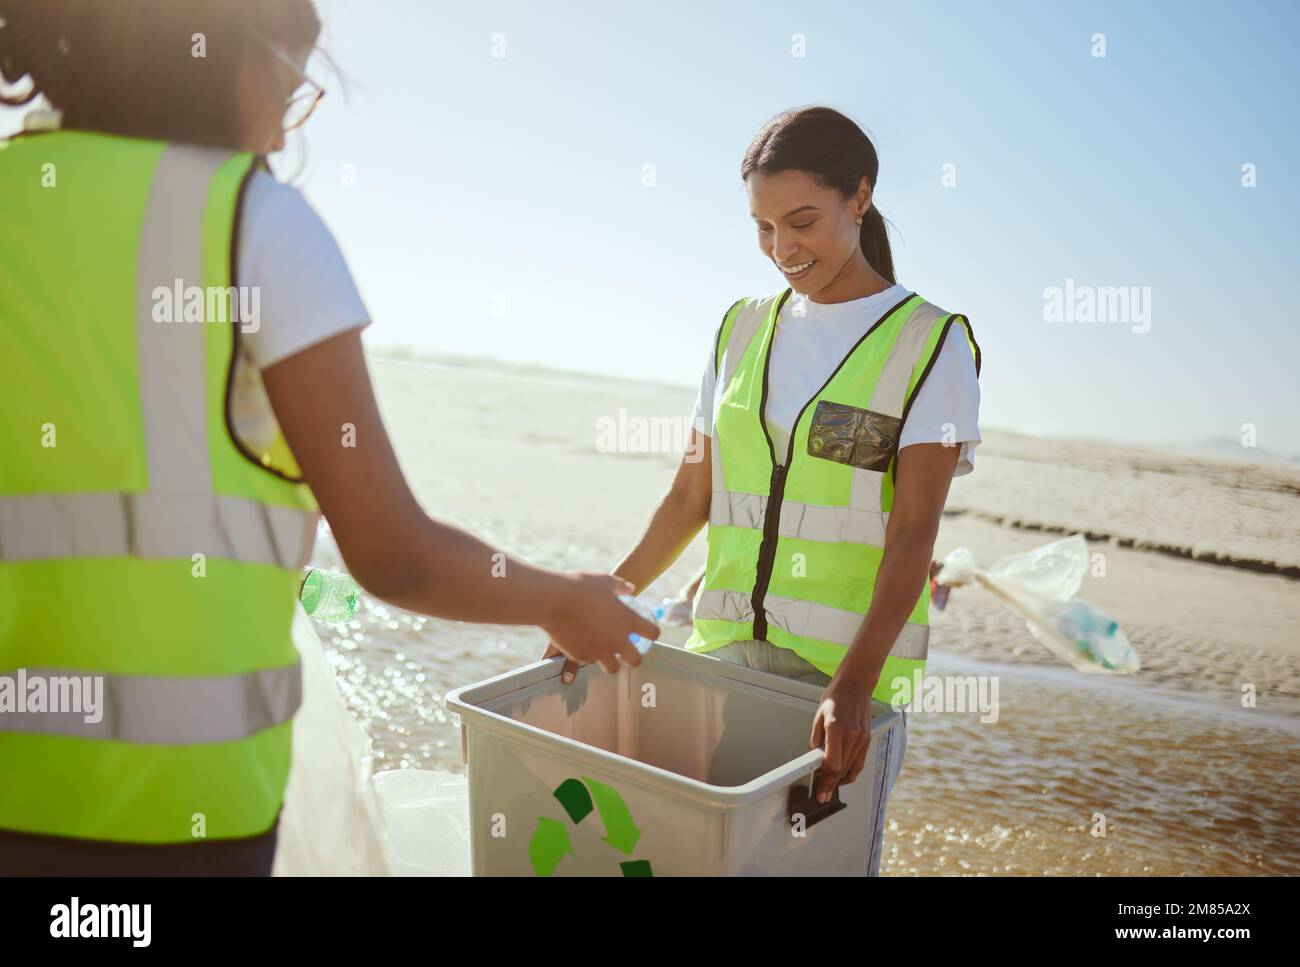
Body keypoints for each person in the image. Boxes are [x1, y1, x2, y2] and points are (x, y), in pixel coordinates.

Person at [0, 0, 654, 876]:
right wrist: (560, 598)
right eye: (292, 79)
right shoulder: (253, 226)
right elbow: (395, 555)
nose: (283, 120)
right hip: (178, 809)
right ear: (221, 54)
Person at [544, 106, 982, 876]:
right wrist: (604, 599)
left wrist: (853, 686)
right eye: (763, 227)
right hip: (721, 664)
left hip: (836, 687)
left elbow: (914, 532)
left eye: (802, 221)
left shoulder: (931, 344)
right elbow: (688, 499)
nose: (782, 249)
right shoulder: (739, 328)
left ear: (861, 196)